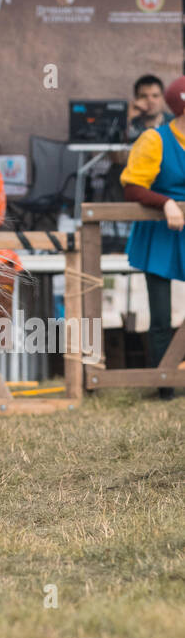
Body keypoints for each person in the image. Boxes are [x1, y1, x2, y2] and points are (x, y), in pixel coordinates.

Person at [120, 74, 185, 399]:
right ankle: (164, 387)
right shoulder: (154, 139)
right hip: (160, 230)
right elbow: (132, 187)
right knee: (160, 317)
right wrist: (167, 202)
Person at [126, 74, 172, 142]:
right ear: (136, 99)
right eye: (144, 96)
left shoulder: (174, 123)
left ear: (163, 98)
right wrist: (128, 118)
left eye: (155, 96)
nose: (150, 101)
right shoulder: (130, 124)